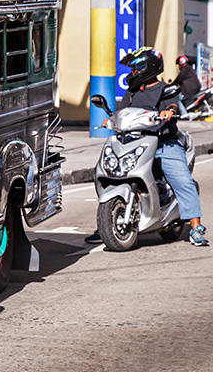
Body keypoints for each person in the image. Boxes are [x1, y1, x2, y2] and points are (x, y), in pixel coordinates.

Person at [85, 47, 209, 246]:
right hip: (135, 141)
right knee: (107, 172)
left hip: (164, 142)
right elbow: (123, 112)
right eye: (132, 69)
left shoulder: (163, 89)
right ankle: (106, 224)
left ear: (148, 68)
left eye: (136, 68)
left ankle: (195, 228)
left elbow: (172, 104)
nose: (132, 72)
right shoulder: (132, 91)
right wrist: (111, 120)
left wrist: (168, 112)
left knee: (182, 181)